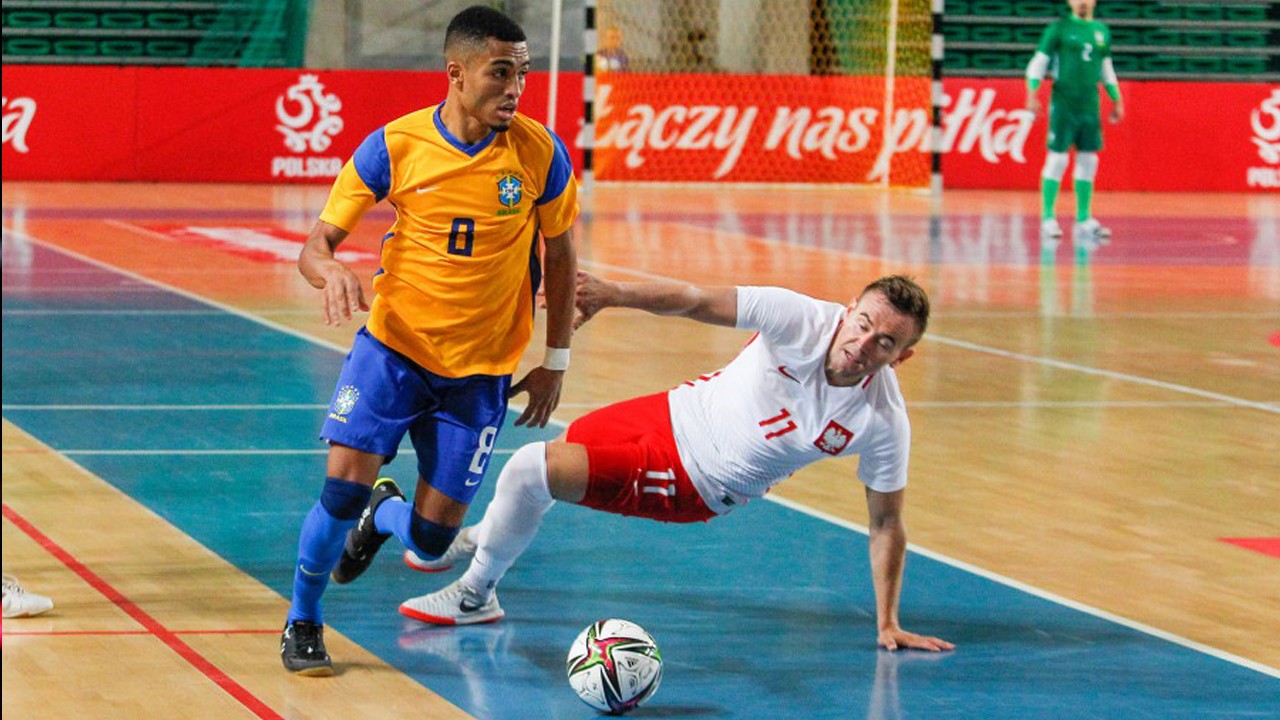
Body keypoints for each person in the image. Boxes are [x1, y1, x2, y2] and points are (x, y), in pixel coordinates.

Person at [399, 271, 954, 653]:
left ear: (901, 358)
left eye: (885, 343)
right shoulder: (798, 317)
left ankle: (477, 592)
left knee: (530, 469)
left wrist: (888, 621)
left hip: (698, 481)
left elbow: (886, 524)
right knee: (564, 454)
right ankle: (480, 536)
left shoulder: (881, 421)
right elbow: (692, 298)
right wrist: (612, 292)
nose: (864, 343)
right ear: (849, 310)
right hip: (670, 410)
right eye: (863, 324)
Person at [281, 5, 580, 676]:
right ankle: (304, 617)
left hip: (479, 376)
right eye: (501, 73)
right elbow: (316, 244)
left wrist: (555, 363)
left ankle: (383, 515)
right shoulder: (395, 146)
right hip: (392, 351)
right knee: (339, 492)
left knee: (431, 545)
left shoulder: (540, 153)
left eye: (523, 74)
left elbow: (561, 261)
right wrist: (330, 269)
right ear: (457, 73)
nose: (515, 88)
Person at [1026, 0, 1124, 244]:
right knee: (1058, 158)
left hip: (1090, 105)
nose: (1082, 1)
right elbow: (1038, 63)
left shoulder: (1101, 31)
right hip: (1064, 104)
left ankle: (1084, 219)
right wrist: (1031, 92)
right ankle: (1048, 218)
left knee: (1089, 159)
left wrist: (1116, 98)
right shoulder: (1058, 29)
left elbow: (1106, 68)